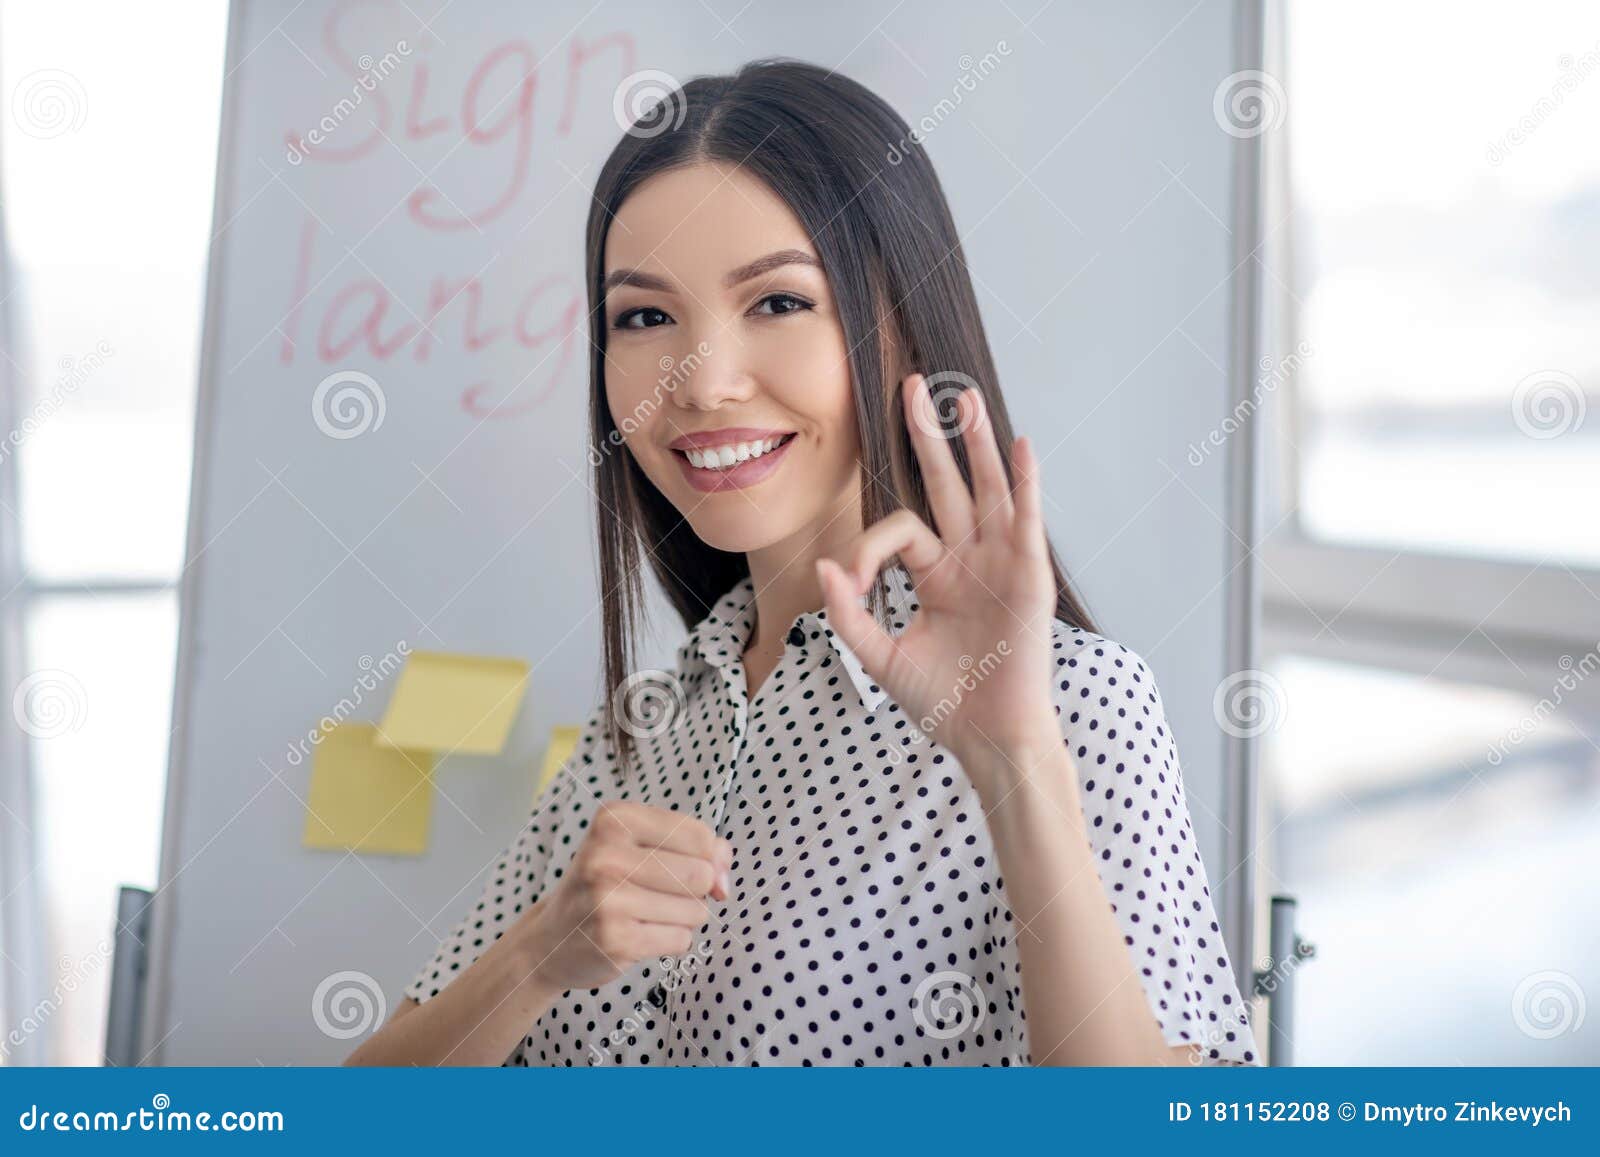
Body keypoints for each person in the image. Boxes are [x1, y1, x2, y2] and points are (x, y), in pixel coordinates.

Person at [346, 58, 1258, 1068]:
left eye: (778, 302)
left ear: (902, 322)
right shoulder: (637, 737)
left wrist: (1013, 765)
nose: (702, 382)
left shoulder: (1074, 702)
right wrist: (533, 960)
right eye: (644, 317)